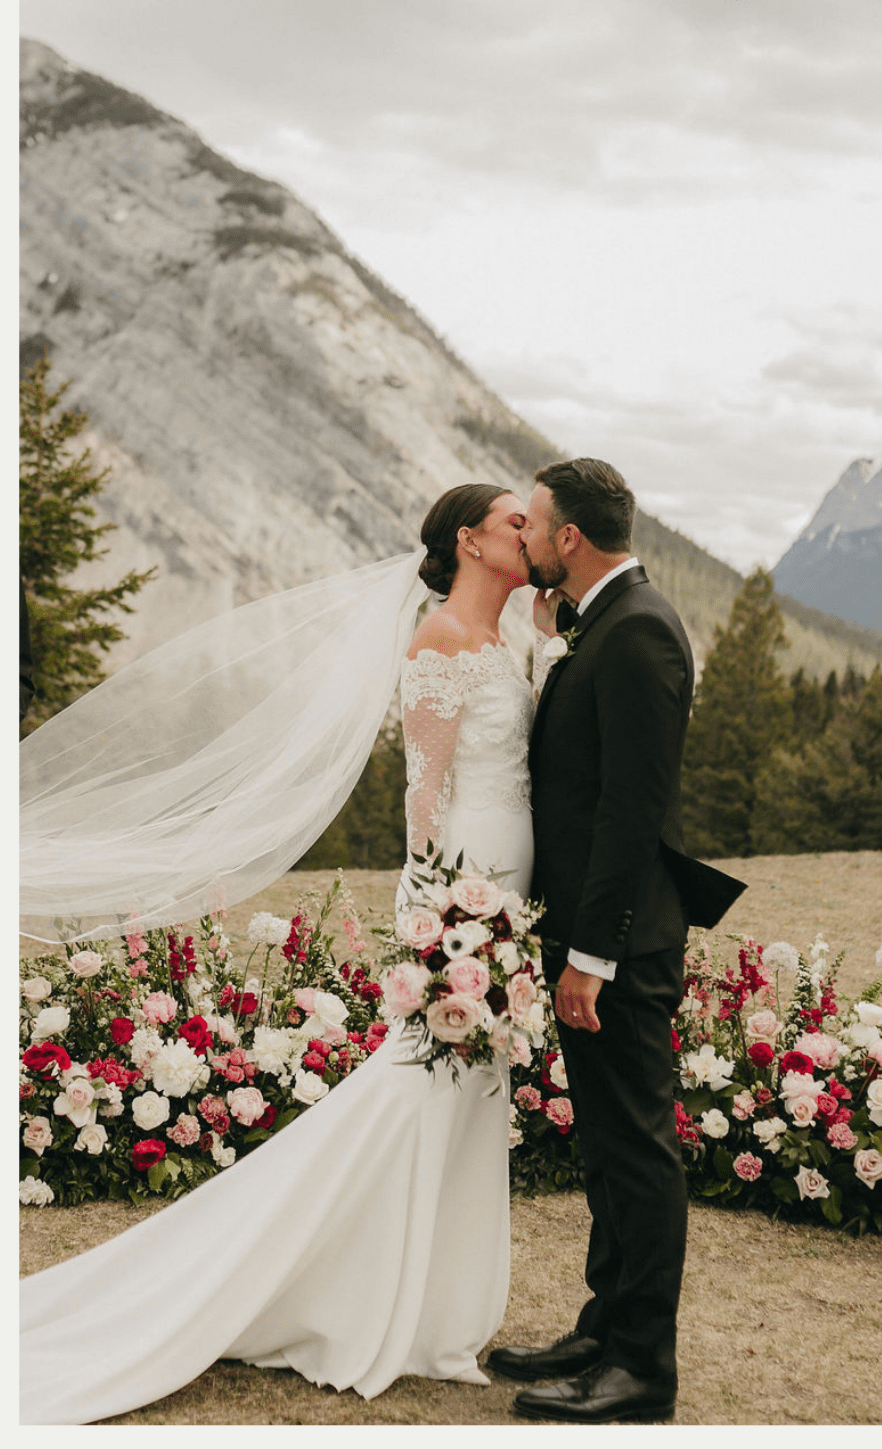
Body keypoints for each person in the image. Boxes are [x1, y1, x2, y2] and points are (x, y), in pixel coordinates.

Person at [19, 484, 536, 1423]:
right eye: (513, 521)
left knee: (465, 1104)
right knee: (416, 1092)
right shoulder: (442, 644)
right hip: (459, 901)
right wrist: (437, 921)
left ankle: (429, 1306)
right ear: (468, 540)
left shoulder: (512, 639)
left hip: (506, 900)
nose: (529, 531)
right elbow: (425, 800)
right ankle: (339, 1289)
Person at [488, 458, 697, 1425]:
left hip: (619, 946)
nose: (524, 538)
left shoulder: (642, 631)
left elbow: (629, 814)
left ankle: (641, 1369)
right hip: (586, 937)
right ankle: (602, 1328)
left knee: (639, 1150)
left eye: (532, 525)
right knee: (608, 1149)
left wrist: (593, 957)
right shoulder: (598, 623)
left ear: (568, 538)